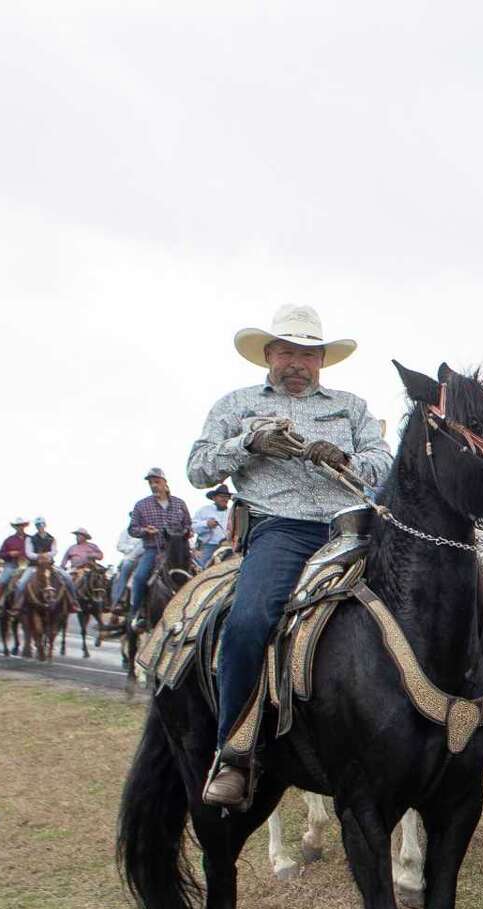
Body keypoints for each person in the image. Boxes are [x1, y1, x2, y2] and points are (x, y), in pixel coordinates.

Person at [188, 302, 392, 806]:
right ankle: (234, 754)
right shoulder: (236, 405)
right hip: (281, 529)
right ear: (268, 355)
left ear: (322, 359)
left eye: (308, 354)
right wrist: (249, 443)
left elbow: (383, 464)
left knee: (438, 597)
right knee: (248, 621)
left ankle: (456, 720)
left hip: (355, 528)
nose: (297, 362)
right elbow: (197, 469)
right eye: (286, 352)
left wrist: (343, 456)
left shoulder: (351, 407)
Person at [102, 469, 193, 636]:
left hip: (178, 551)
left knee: (199, 574)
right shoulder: (141, 505)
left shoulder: (180, 504)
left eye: (156, 481)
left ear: (165, 483)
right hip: (153, 549)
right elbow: (132, 529)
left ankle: (195, 613)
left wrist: (186, 532)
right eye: (151, 482)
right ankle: (138, 613)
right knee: (139, 577)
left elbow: (188, 524)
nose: (153, 485)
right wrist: (145, 530)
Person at [0, 518, 32, 605]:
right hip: (12, 565)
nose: (20, 527)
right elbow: (1, 554)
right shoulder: (9, 540)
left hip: (29, 565)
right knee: (2, 581)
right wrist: (9, 554)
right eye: (18, 526)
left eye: (21, 525)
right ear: (15, 527)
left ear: (24, 526)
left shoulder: (31, 539)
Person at [193, 484, 234, 567]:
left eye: (226, 497)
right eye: (221, 496)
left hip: (227, 546)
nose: (224, 499)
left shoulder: (232, 513)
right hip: (207, 546)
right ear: (214, 498)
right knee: (200, 568)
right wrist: (206, 524)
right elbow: (193, 527)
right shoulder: (204, 510)